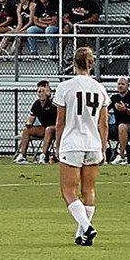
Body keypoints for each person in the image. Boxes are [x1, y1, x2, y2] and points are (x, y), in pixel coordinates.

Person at [53, 46, 110, 246]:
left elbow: (60, 122)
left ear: (73, 63)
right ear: (91, 64)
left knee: (68, 191)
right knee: (89, 190)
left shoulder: (65, 87)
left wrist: (58, 145)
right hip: (93, 143)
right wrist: (103, 148)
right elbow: (104, 123)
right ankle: (82, 234)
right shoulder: (100, 88)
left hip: (72, 143)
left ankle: (86, 227)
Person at [107, 76, 130, 165]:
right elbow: (105, 109)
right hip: (117, 127)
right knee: (102, 126)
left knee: (122, 126)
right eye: (119, 84)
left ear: (128, 85)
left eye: (123, 84)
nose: (120, 86)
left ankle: (121, 156)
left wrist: (125, 110)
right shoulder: (114, 98)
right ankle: (106, 152)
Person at [17, 80, 57, 163]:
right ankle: (22, 155)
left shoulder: (53, 103)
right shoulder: (36, 104)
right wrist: (28, 124)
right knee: (26, 130)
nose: (41, 94)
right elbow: (31, 120)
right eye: (39, 92)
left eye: (44, 91)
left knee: (49, 129)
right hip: (44, 128)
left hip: (56, 129)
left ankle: (44, 155)